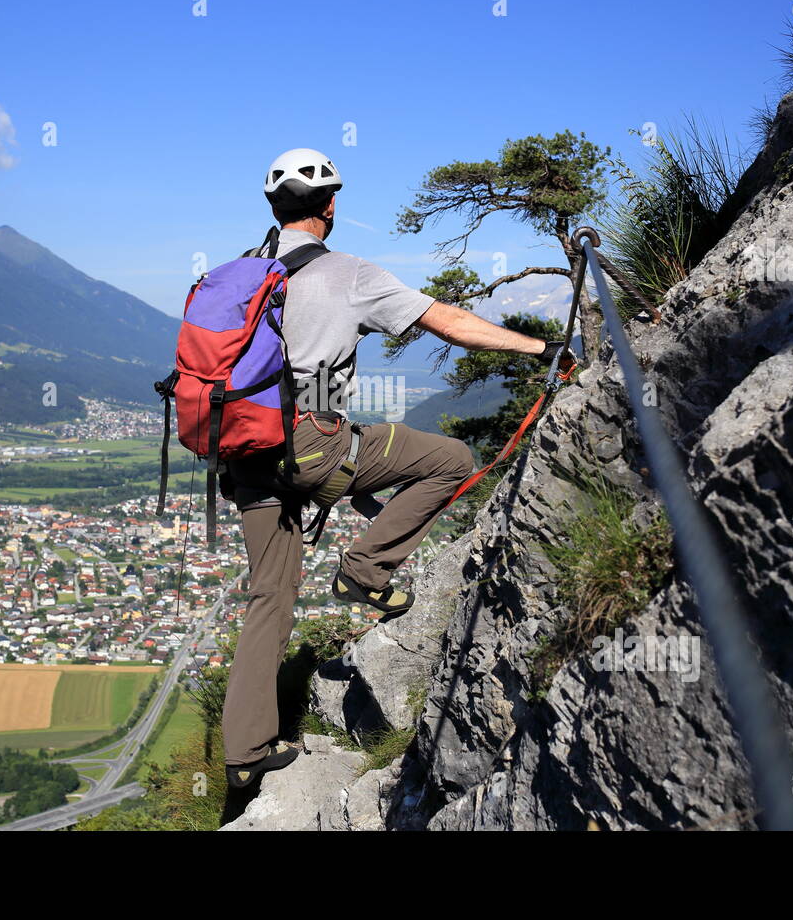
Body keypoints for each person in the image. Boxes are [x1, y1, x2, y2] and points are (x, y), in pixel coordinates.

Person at [221, 148, 571, 787]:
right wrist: (545, 347)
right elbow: (452, 324)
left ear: (273, 207)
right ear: (330, 206)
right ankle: (366, 569)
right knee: (450, 458)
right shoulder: (347, 273)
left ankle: (244, 756)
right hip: (310, 446)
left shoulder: (242, 274)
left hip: (246, 453)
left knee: (268, 597)